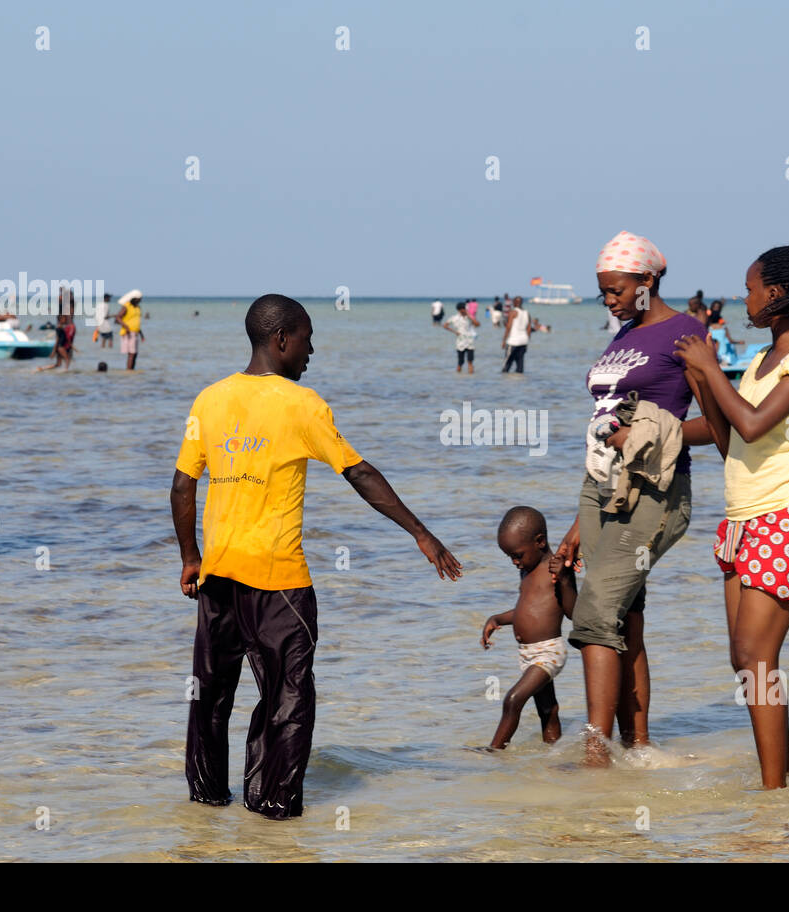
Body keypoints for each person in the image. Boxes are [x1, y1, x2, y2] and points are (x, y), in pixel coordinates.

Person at [172, 294, 461, 819]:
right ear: (281, 339)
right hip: (277, 581)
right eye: (307, 336)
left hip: (217, 578)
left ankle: (207, 807)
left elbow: (182, 485)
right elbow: (359, 472)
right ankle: (274, 813)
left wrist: (191, 557)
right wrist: (421, 533)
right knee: (288, 702)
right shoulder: (302, 404)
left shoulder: (209, 400)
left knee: (210, 698)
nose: (312, 348)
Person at [674, 246, 789, 790]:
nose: (743, 298)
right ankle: (784, 772)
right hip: (746, 516)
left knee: (755, 655)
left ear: (774, 294)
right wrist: (668, 421)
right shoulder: (763, 361)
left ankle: (774, 797)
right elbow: (728, 437)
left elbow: (750, 424)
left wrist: (711, 369)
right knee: (743, 659)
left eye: (749, 288)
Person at [550, 231, 709, 765]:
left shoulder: (686, 333)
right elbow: (603, 424)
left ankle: (595, 754)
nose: (610, 300)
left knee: (595, 612)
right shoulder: (622, 338)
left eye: (617, 289)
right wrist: (578, 521)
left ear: (648, 280)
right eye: (603, 293)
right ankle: (637, 747)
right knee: (625, 616)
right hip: (599, 488)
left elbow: (722, 422)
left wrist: (647, 435)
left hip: (654, 491)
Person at [480, 507, 576, 749]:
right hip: (527, 654)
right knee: (547, 710)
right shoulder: (527, 571)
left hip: (548, 653)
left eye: (518, 555)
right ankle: (553, 753)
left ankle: (494, 751)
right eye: (509, 557)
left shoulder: (556, 569)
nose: (514, 562)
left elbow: (573, 612)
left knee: (513, 700)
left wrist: (564, 580)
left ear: (540, 541)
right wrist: (498, 619)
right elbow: (528, 612)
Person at [443, 298, 478, 373]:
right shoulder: (454, 318)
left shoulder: (469, 317)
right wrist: (454, 332)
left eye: (465, 309)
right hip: (460, 342)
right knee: (460, 362)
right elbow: (445, 325)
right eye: (463, 309)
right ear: (459, 310)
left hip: (470, 342)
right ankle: (459, 380)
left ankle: (471, 378)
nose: (465, 310)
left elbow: (477, 324)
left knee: (470, 361)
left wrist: (470, 316)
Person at [112, 290, 143, 370]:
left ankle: (131, 370)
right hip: (128, 333)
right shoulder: (127, 306)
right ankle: (129, 371)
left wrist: (141, 334)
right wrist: (126, 327)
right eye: (139, 299)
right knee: (131, 353)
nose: (140, 300)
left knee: (135, 353)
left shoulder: (138, 308)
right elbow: (118, 317)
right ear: (135, 299)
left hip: (135, 332)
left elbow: (136, 321)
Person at [501, 296, 533, 373]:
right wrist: (527, 339)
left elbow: (508, 327)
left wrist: (504, 340)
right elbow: (529, 328)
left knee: (507, 364)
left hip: (513, 341)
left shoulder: (513, 312)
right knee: (520, 364)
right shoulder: (526, 313)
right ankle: (520, 382)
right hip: (523, 341)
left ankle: (503, 382)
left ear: (514, 303)